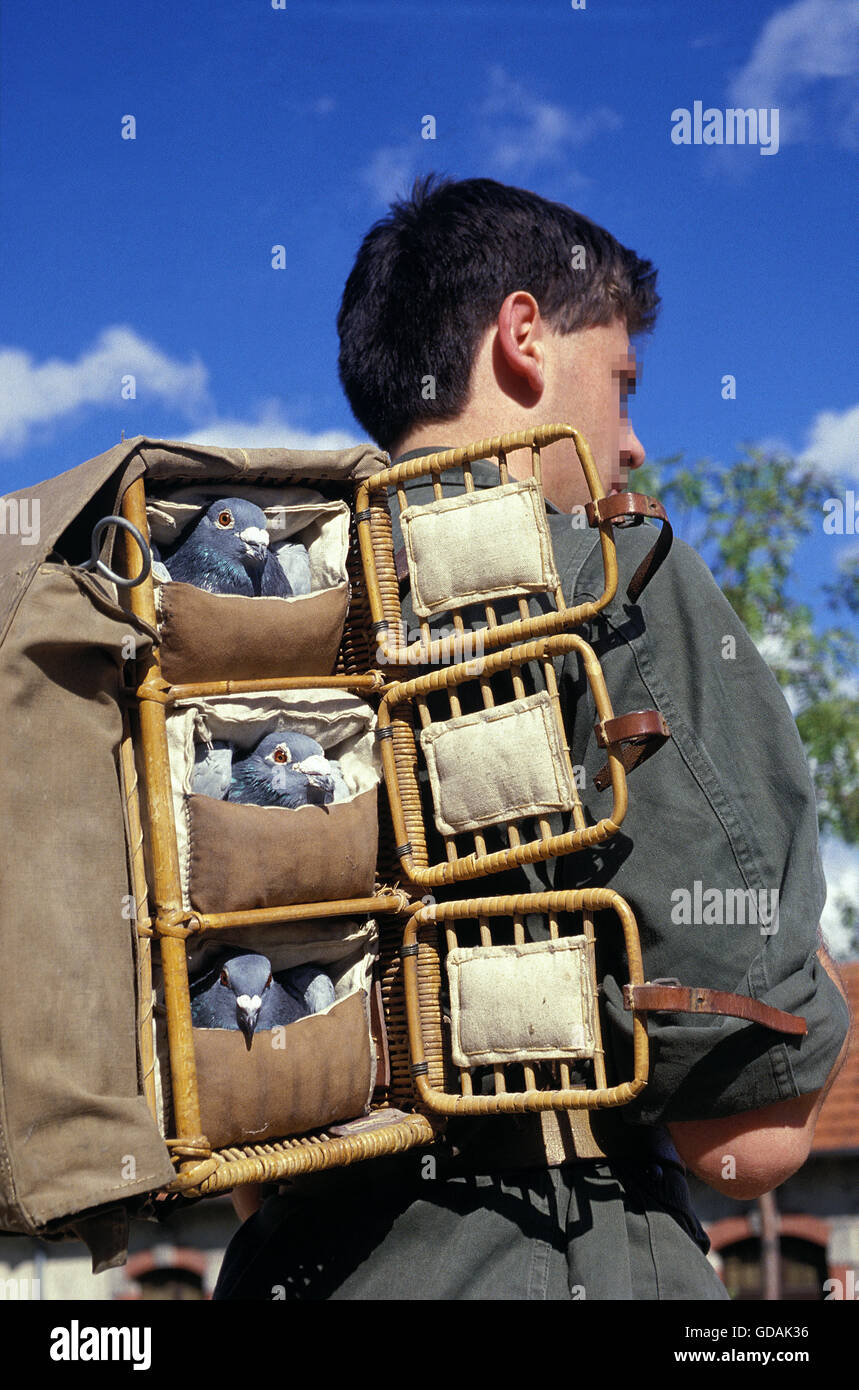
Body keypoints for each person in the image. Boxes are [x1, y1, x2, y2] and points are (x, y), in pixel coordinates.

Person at [214, 175, 849, 1301]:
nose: (635, 443)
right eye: (623, 380)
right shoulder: (605, 577)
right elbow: (745, 1144)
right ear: (522, 340)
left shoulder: (256, 626)